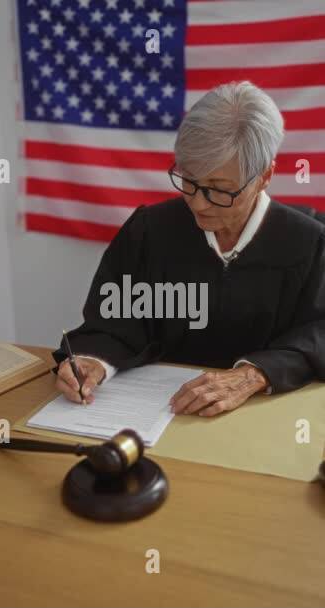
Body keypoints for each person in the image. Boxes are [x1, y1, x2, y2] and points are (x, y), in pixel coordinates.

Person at [53, 80, 325, 418]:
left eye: (219, 189)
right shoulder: (149, 231)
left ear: (265, 176)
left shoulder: (311, 243)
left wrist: (255, 374)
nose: (197, 203)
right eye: (189, 180)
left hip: (267, 418)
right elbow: (115, 321)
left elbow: (319, 336)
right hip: (159, 415)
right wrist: (93, 361)